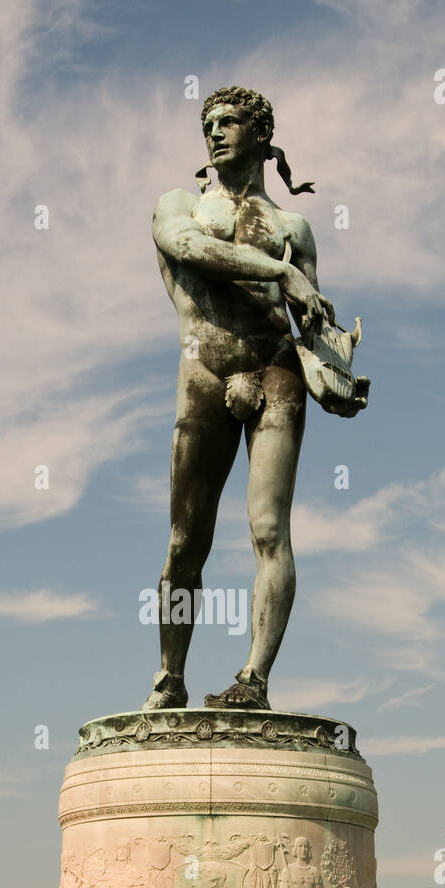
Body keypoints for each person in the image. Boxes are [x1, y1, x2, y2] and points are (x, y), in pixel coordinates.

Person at [143, 86, 335, 712]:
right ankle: (170, 676)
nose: (216, 133)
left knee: (270, 529)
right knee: (184, 542)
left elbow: (317, 324)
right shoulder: (180, 205)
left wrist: (336, 366)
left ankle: (254, 678)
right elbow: (188, 249)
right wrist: (280, 272)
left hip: (275, 371)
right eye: (210, 124)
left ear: (261, 135)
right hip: (204, 369)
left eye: (230, 123)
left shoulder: (294, 226)